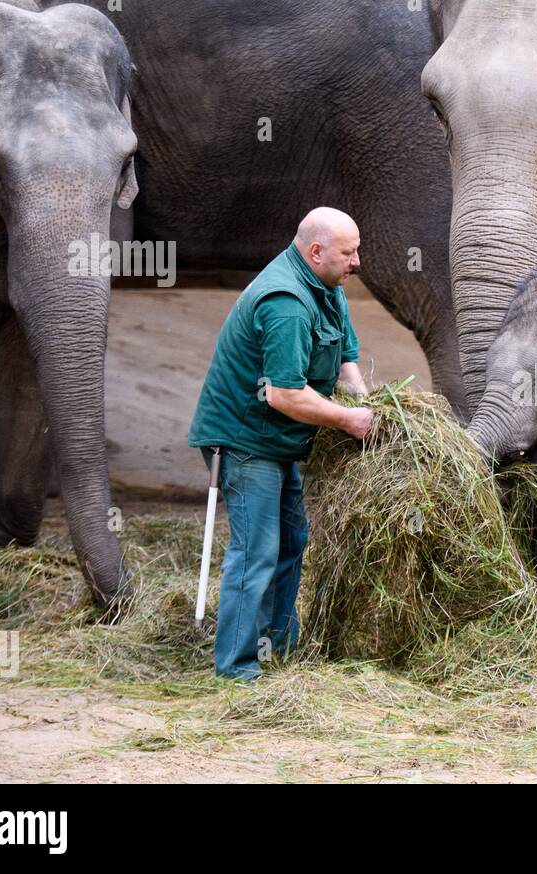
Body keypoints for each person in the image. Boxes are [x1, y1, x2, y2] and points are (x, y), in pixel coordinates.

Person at [188, 207, 373, 679]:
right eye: (349, 253)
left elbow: (347, 356)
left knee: (293, 540)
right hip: (245, 439)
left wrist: (371, 406)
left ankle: (278, 647)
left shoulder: (327, 286)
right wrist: (348, 421)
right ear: (316, 252)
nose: (357, 262)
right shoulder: (287, 301)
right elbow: (284, 393)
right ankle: (237, 667)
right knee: (257, 551)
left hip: (279, 439)